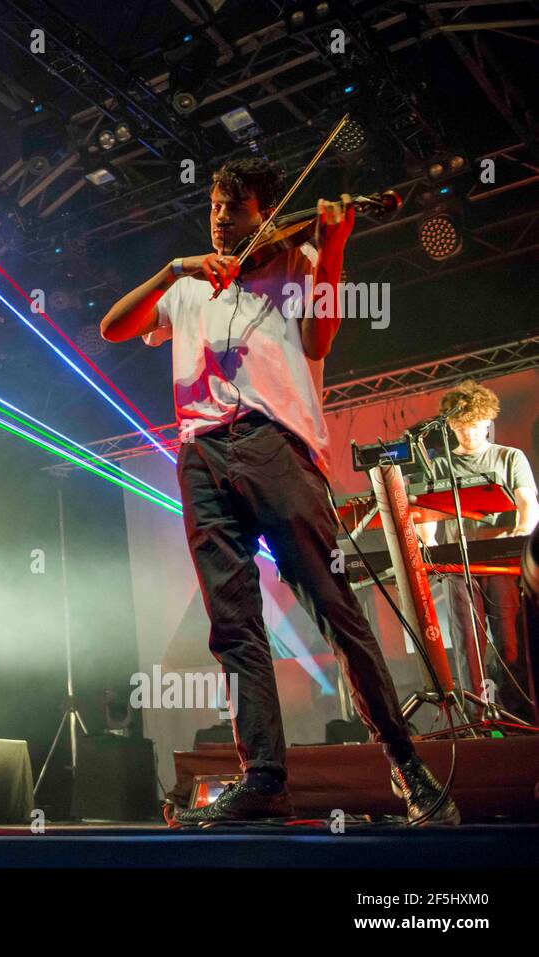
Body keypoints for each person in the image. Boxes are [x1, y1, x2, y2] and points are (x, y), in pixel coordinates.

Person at [100, 156, 459, 826]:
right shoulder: (188, 283)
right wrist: (174, 269)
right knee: (234, 624)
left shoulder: (295, 263)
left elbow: (320, 337)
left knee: (334, 606)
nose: (219, 219)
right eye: (214, 206)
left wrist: (335, 244)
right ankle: (263, 778)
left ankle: (407, 765)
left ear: (264, 214)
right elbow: (113, 327)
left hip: (276, 446)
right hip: (200, 455)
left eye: (234, 210)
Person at [418, 380, 538, 721]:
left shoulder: (509, 457)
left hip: (498, 563)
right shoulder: (440, 466)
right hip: (458, 567)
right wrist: (430, 545)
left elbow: (529, 505)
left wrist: (520, 532)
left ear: (487, 421)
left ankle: (519, 717)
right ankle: (477, 719)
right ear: (451, 427)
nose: (468, 433)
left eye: (473, 425)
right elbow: (426, 516)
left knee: (509, 643)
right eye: (460, 426)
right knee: (466, 646)